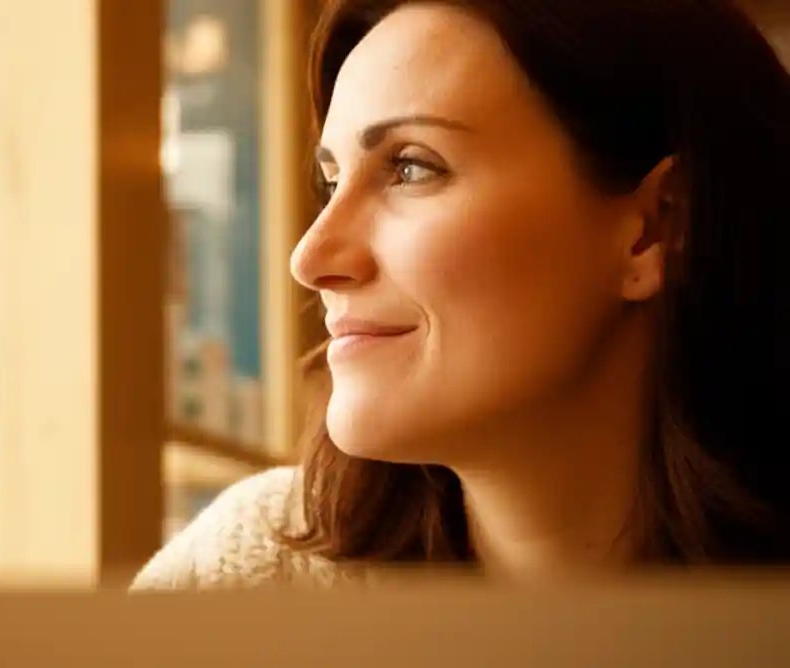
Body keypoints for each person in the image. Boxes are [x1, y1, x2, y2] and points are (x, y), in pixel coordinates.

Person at [133, 0, 790, 590]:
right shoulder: (243, 583)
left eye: (411, 167)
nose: (310, 258)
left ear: (657, 226)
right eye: (331, 182)